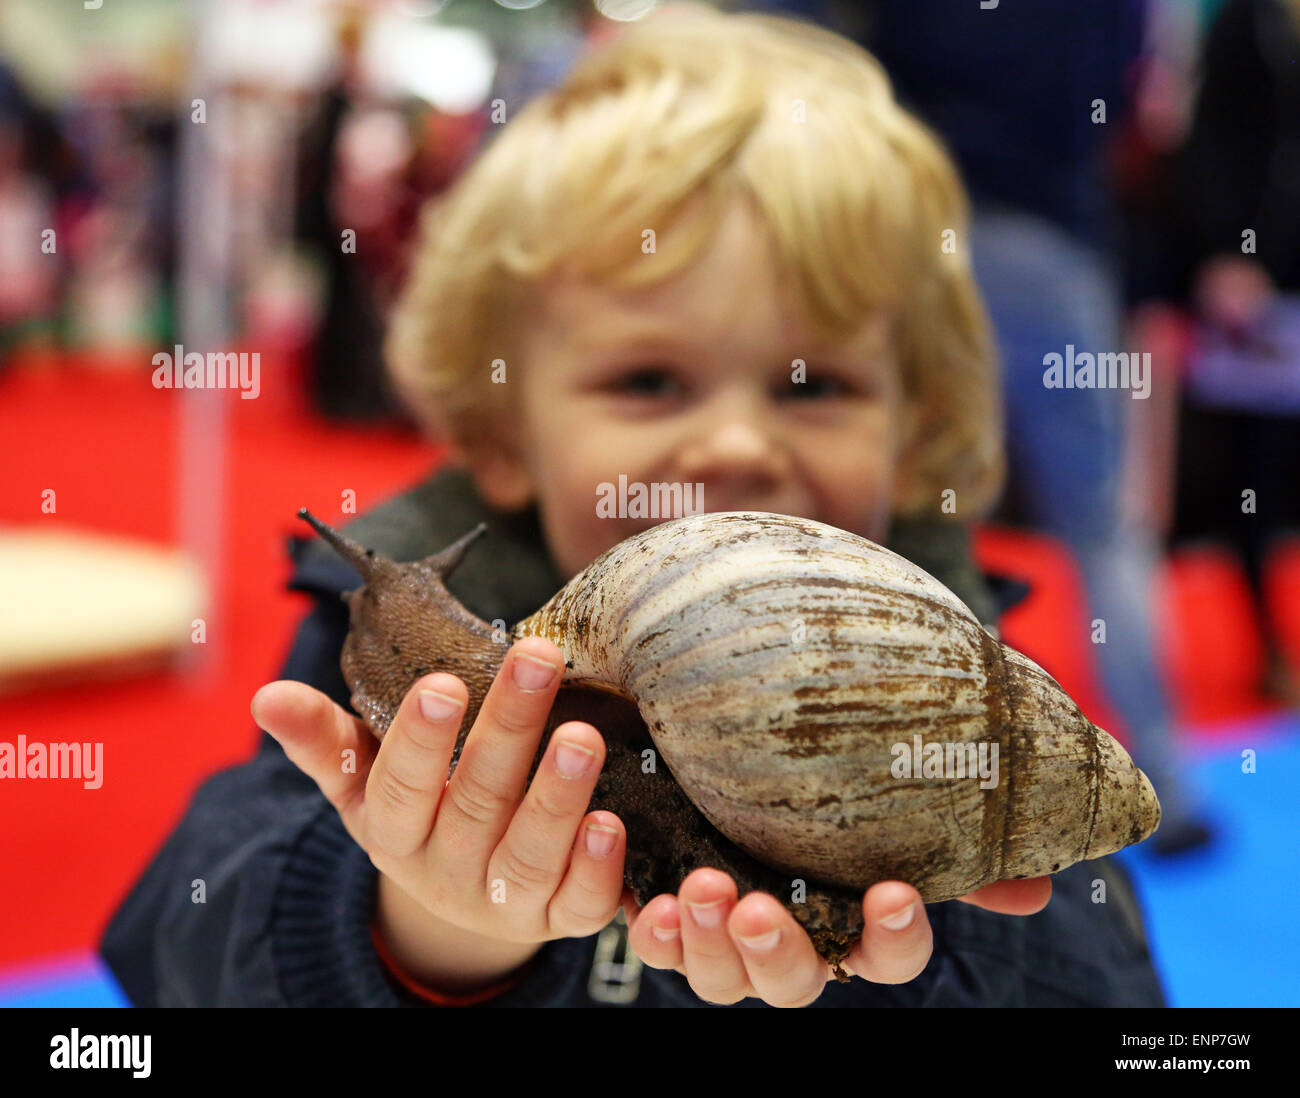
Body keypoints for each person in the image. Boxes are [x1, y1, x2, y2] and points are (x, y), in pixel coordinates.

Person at [99, 5, 1165, 1007]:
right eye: (648, 383)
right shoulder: (377, 661)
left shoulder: (958, 686)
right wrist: (420, 928)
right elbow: (172, 934)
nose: (738, 444)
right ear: (507, 439)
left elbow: (1107, 979)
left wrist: (923, 953)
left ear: (912, 430)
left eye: (813, 386)